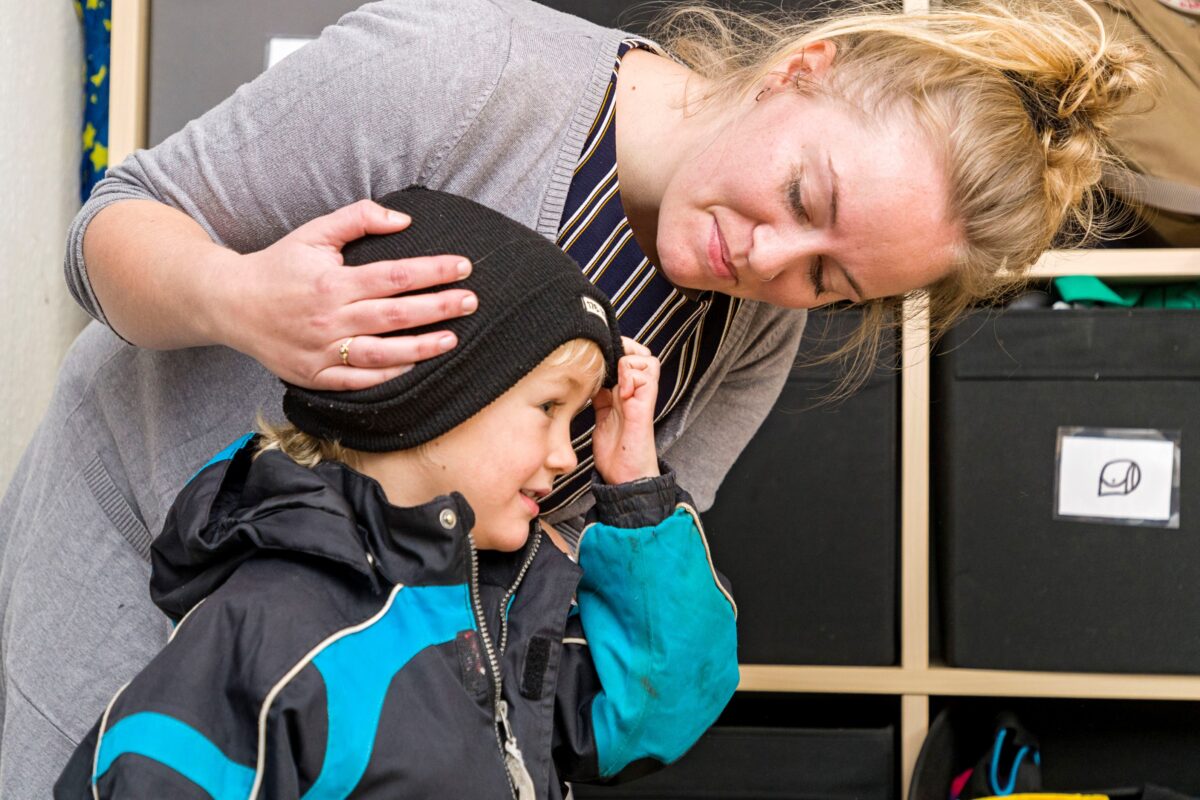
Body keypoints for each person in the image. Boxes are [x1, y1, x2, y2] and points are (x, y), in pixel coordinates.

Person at [0, 0, 1151, 791]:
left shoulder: (753, 329)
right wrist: (240, 297)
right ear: (807, 70)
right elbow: (108, 229)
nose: (767, 256)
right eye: (803, 190)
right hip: (138, 550)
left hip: (357, 671)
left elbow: (579, 573)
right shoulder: (461, 75)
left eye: (828, 275)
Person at [53, 188, 739, 799]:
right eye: (547, 408)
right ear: (425, 396)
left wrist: (637, 491)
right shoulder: (271, 635)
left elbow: (660, 709)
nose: (567, 456)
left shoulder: (506, 604)